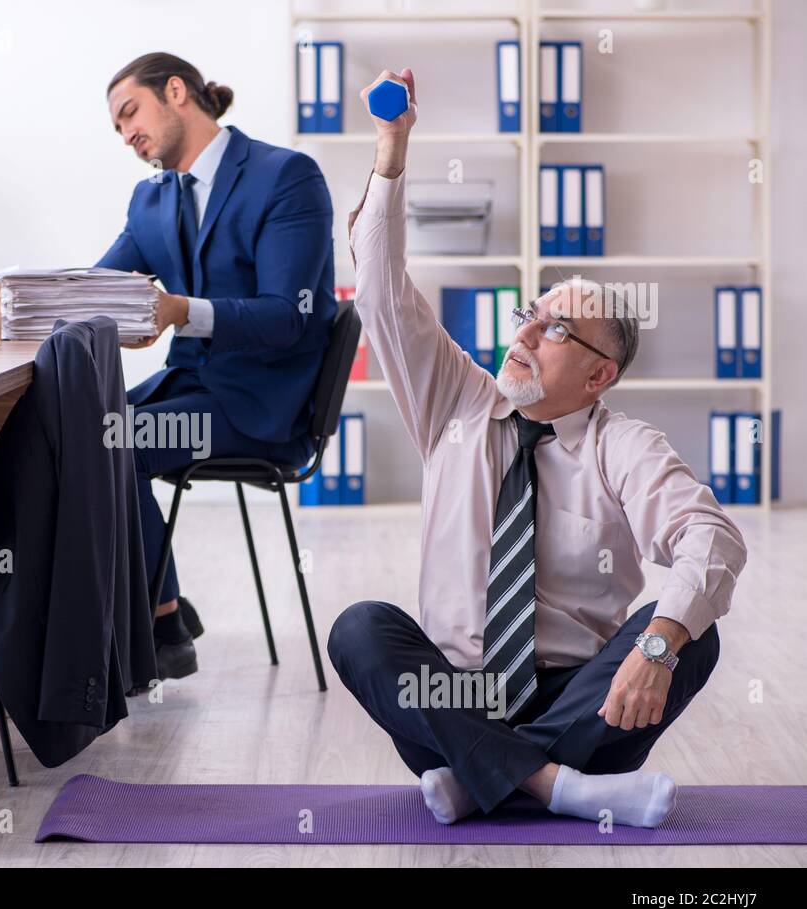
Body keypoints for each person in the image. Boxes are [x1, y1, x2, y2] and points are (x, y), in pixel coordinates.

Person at [328, 68, 748, 828]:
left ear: (599, 374)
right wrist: (392, 148)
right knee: (359, 626)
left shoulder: (624, 444)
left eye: (554, 329)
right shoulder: (455, 401)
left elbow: (710, 538)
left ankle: (483, 777)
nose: (521, 334)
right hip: (459, 697)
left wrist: (656, 645)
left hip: (585, 700)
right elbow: (384, 294)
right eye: (529, 314)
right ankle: (559, 788)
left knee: (694, 632)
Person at [98, 52, 336, 679]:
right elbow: (100, 284)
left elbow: (287, 315)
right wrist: (17, 299)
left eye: (131, 114)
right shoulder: (151, 201)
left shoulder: (285, 176)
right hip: (191, 388)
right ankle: (156, 615)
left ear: (176, 91)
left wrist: (181, 311)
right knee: (72, 430)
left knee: (114, 442)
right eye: (117, 129)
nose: (126, 136)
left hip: (261, 406)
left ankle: (159, 623)